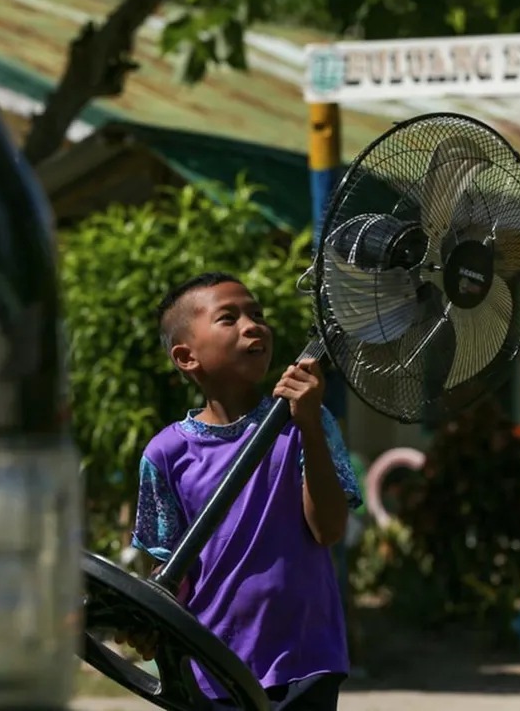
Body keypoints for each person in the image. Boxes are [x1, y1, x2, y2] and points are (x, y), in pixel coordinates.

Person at [129, 271, 363, 710]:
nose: (253, 325)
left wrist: (309, 424)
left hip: (304, 660)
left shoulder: (303, 423)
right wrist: (147, 619)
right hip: (212, 669)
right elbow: (170, 574)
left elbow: (328, 528)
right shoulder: (166, 453)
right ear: (187, 357)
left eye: (257, 314)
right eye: (228, 318)